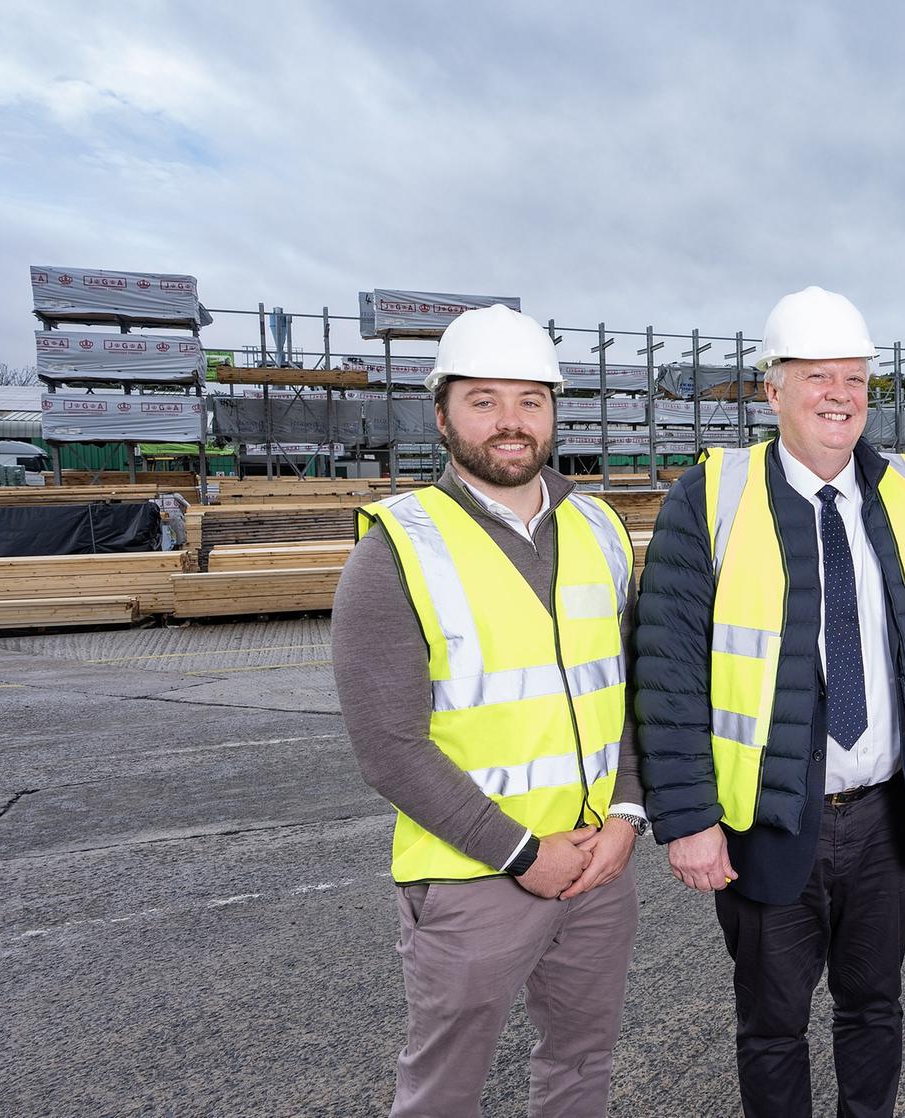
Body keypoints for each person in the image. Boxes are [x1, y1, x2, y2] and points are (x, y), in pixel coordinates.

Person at [635, 286, 905, 1118]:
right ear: (774, 390)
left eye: (856, 379)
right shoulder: (713, 497)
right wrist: (688, 817)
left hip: (886, 817)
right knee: (773, 1024)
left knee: (874, 1009)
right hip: (770, 820)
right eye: (817, 377)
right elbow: (668, 667)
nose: (840, 395)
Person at [332, 303, 644, 1118]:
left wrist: (627, 815)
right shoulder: (395, 548)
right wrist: (519, 852)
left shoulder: (600, 528)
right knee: (443, 1092)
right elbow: (388, 747)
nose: (511, 422)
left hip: (596, 864)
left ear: (553, 411)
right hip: (475, 877)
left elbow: (635, 691)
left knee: (581, 1068)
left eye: (530, 400)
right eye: (484, 400)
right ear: (441, 414)